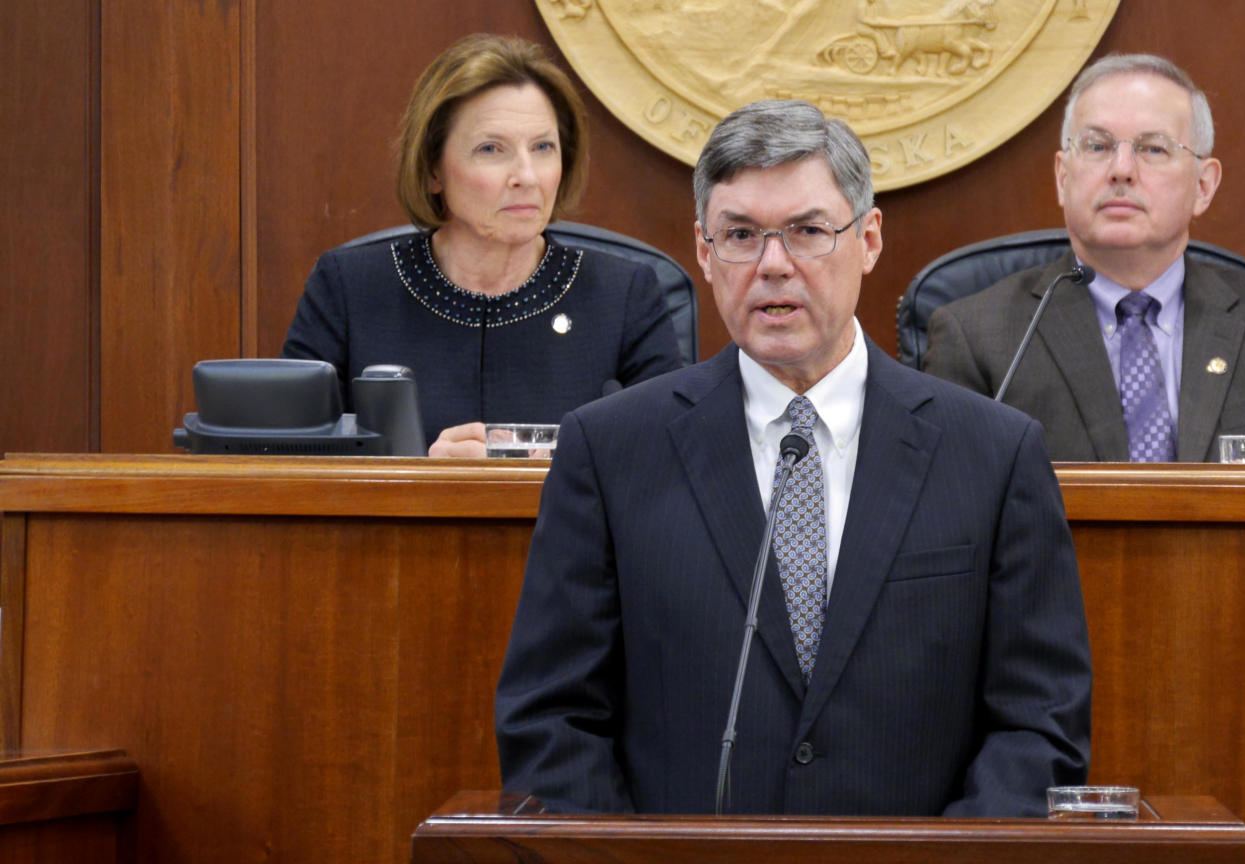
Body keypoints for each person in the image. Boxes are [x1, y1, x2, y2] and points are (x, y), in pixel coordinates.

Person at [494, 100, 1091, 816]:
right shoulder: (610, 449)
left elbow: (1040, 724)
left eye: (807, 231)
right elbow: (552, 722)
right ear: (704, 251)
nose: (773, 265)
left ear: (868, 238)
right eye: (741, 234)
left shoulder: (994, 454)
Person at [924, 54, 1245, 464]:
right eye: (1098, 146)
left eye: (1152, 148)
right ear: (1063, 178)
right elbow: (947, 521)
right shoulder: (978, 338)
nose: (1122, 169)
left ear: (1203, 186)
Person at [282, 34, 681, 454]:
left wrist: (553, 461)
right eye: (492, 149)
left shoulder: (624, 295)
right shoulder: (348, 289)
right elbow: (286, 461)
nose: (526, 175)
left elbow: (676, 458)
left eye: (543, 147)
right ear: (434, 168)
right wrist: (419, 480)